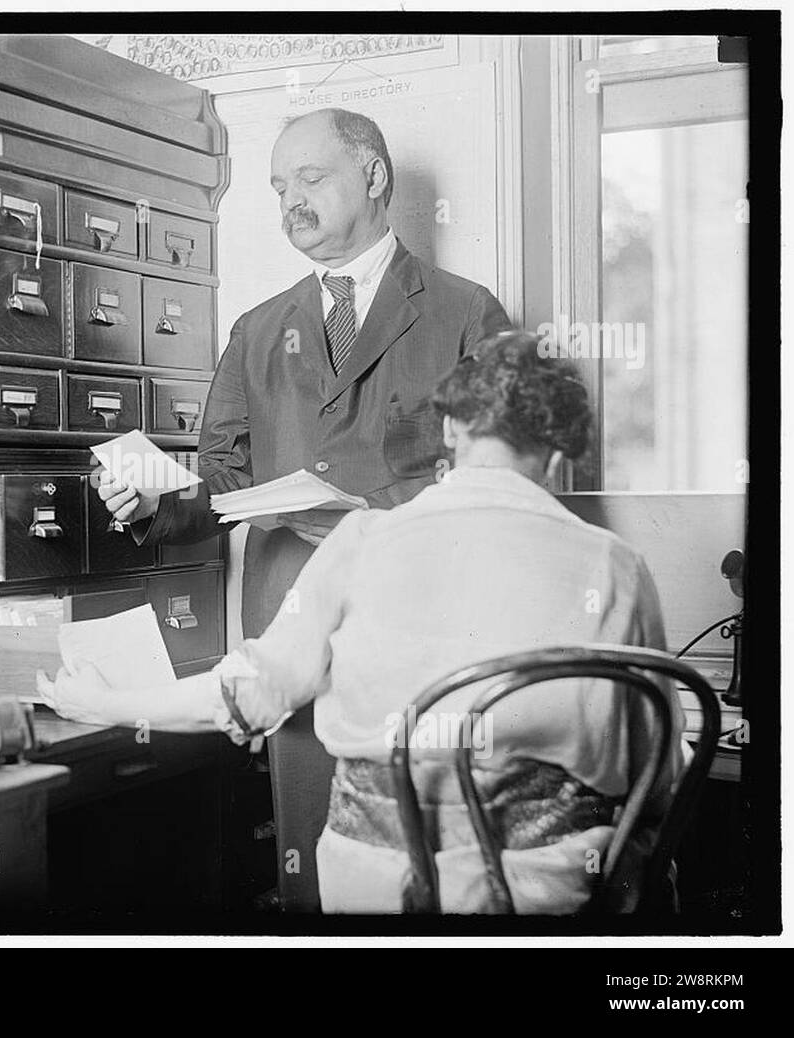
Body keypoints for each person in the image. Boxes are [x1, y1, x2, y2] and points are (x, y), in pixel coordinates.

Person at [42, 333, 685, 913]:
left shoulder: (362, 540)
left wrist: (107, 701)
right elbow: (659, 770)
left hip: (378, 890)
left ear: (453, 430)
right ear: (560, 451)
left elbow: (244, 696)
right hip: (548, 894)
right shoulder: (618, 566)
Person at [96, 107, 512, 907]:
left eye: (311, 178)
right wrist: (147, 502)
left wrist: (374, 518)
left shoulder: (464, 313)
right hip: (293, 642)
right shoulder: (259, 330)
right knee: (314, 874)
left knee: (436, 876)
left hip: (424, 643)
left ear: (374, 175)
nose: (291, 200)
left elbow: (503, 489)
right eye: (280, 186)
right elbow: (221, 479)